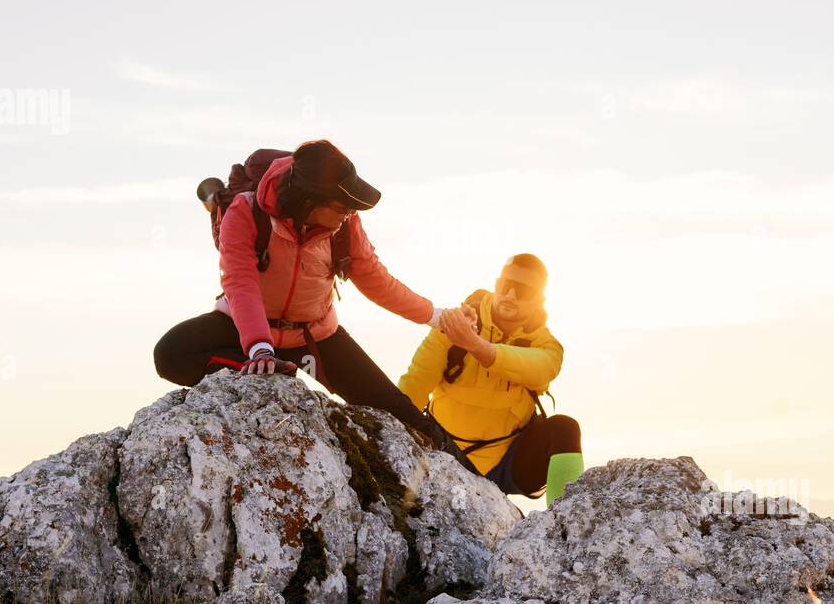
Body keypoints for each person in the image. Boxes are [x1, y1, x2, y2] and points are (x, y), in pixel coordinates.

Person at [153, 139, 457, 444]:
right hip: (245, 329)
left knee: (398, 412)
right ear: (310, 201)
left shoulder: (345, 226)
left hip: (314, 336)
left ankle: (473, 476)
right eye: (341, 205)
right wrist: (259, 347)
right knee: (170, 355)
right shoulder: (246, 211)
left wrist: (435, 316)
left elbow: (376, 279)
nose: (349, 212)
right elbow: (240, 283)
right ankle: (271, 372)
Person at [397, 254, 584, 506]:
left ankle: (564, 522)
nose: (511, 295)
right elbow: (415, 384)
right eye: (505, 285)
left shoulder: (546, 345)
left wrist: (475, 345)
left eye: (523, 290)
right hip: (448, 452)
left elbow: (540, 368)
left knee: (564, 428)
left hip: (510, 462)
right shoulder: (454, 324)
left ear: (539, 299)